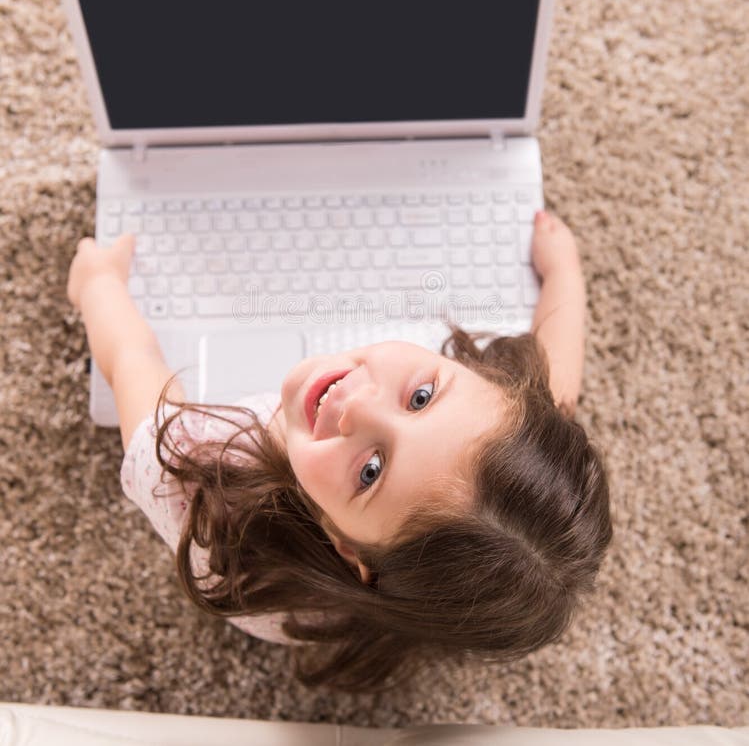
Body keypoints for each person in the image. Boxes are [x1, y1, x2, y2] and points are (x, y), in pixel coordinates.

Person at [67, 209, 612, 691]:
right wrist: (563, 271)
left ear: (347, 547)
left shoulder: (204, 492)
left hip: (274, 579)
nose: (357, 406)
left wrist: (96, 283)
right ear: (489, 376)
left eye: (371, 471)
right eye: (421, 397)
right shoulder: (507, 435)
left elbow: (129, 357)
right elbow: (557, 383)